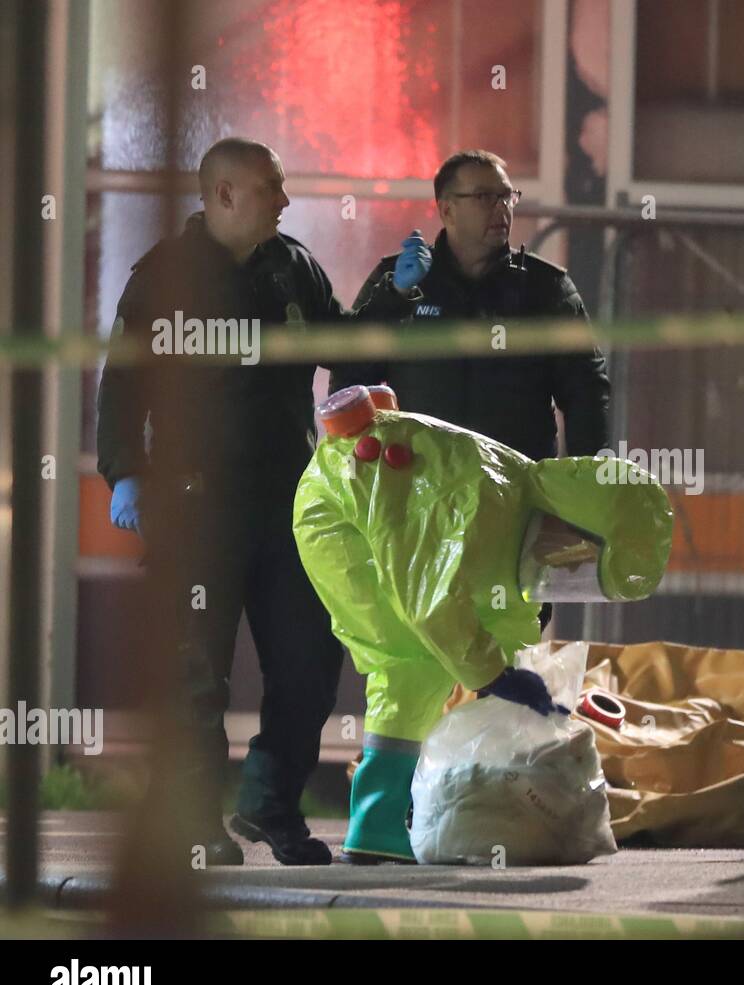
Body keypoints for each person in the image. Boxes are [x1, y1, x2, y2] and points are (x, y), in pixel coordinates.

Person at [97, 137, 415, 866]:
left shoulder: (291, 266)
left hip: (288, 506)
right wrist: (126, 471)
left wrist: (390, 293)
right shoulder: (163, 278)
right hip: (194, 509)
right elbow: (123, 384)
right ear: (225, 195)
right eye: (271, 187)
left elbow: (348, 350)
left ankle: (269, 806)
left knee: (309, 661)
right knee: (192, 677)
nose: (284, 199)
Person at [294, 385, 671, 863]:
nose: (570, 577)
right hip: (337, 511)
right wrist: (496, 676)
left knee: (430, 663)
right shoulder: (483, 503)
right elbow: (429, 600)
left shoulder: (521, 501)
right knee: (410, 664)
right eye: (584, 565)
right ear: (580, 530)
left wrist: (510, 668)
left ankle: (393, 817)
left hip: (367, 498)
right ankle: (378, 823)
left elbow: (499, 598)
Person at [331, 149, 610, 462]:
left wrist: (584, 486)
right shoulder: (399, 281)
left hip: (517, 490)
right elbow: (350, 375)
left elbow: (587, 395)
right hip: (419, 486)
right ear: (447, 210)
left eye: (507, 197)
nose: (501, 208)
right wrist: (359, 469)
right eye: (484, 197)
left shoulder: (546, 289)